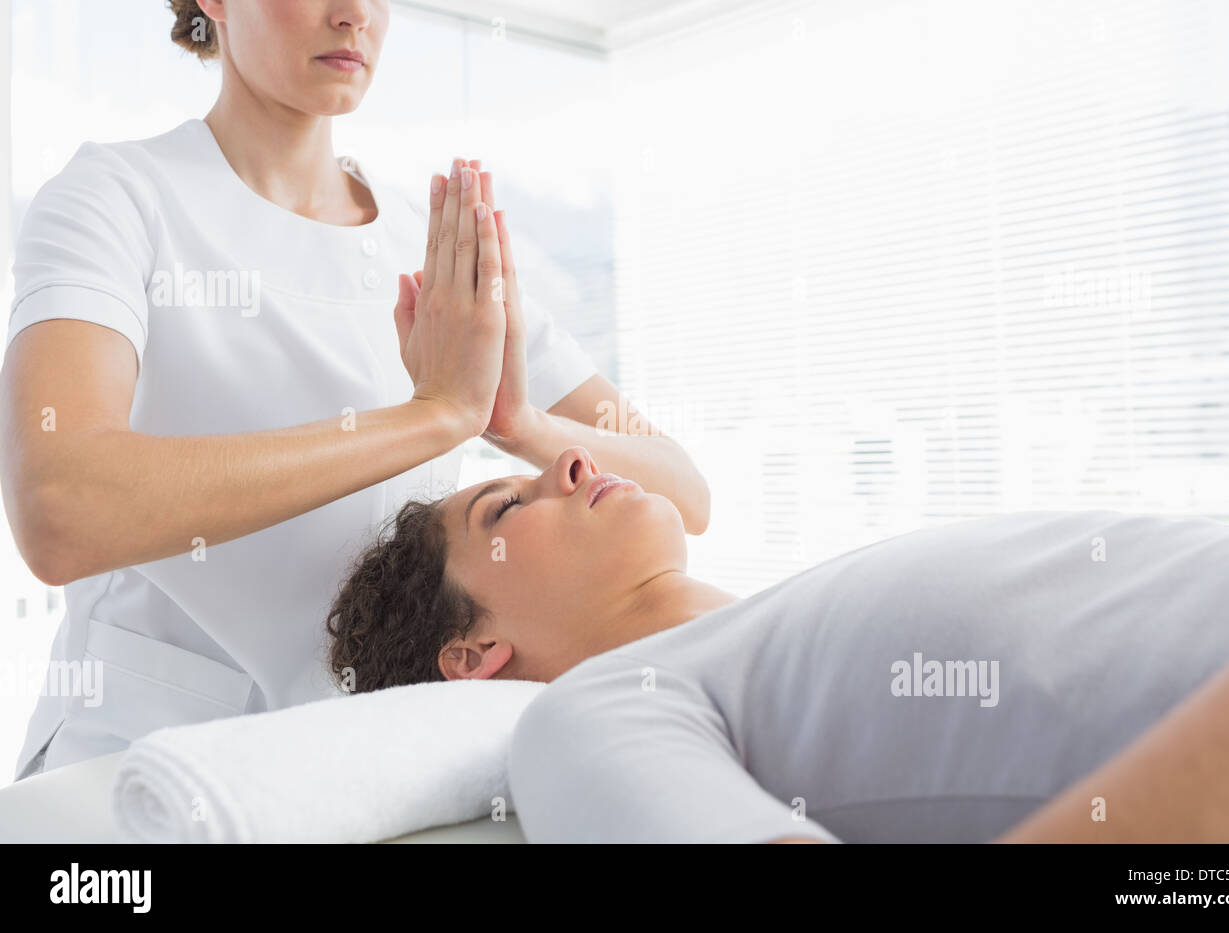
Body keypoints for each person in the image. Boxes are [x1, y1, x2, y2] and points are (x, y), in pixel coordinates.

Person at [0, 0, 708, 781]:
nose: (354, 15)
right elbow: (60, 507)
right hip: (129, 773)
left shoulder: (428, 246)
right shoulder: (118, 196)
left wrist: (519, 421)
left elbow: (682, 490)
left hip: (348, 780)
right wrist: (434, 417)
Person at [325, 445, 1229, 843]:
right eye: (508, 503)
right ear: (470, 649)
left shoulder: (783, 623)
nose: (570, 459)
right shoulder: (590, 715)